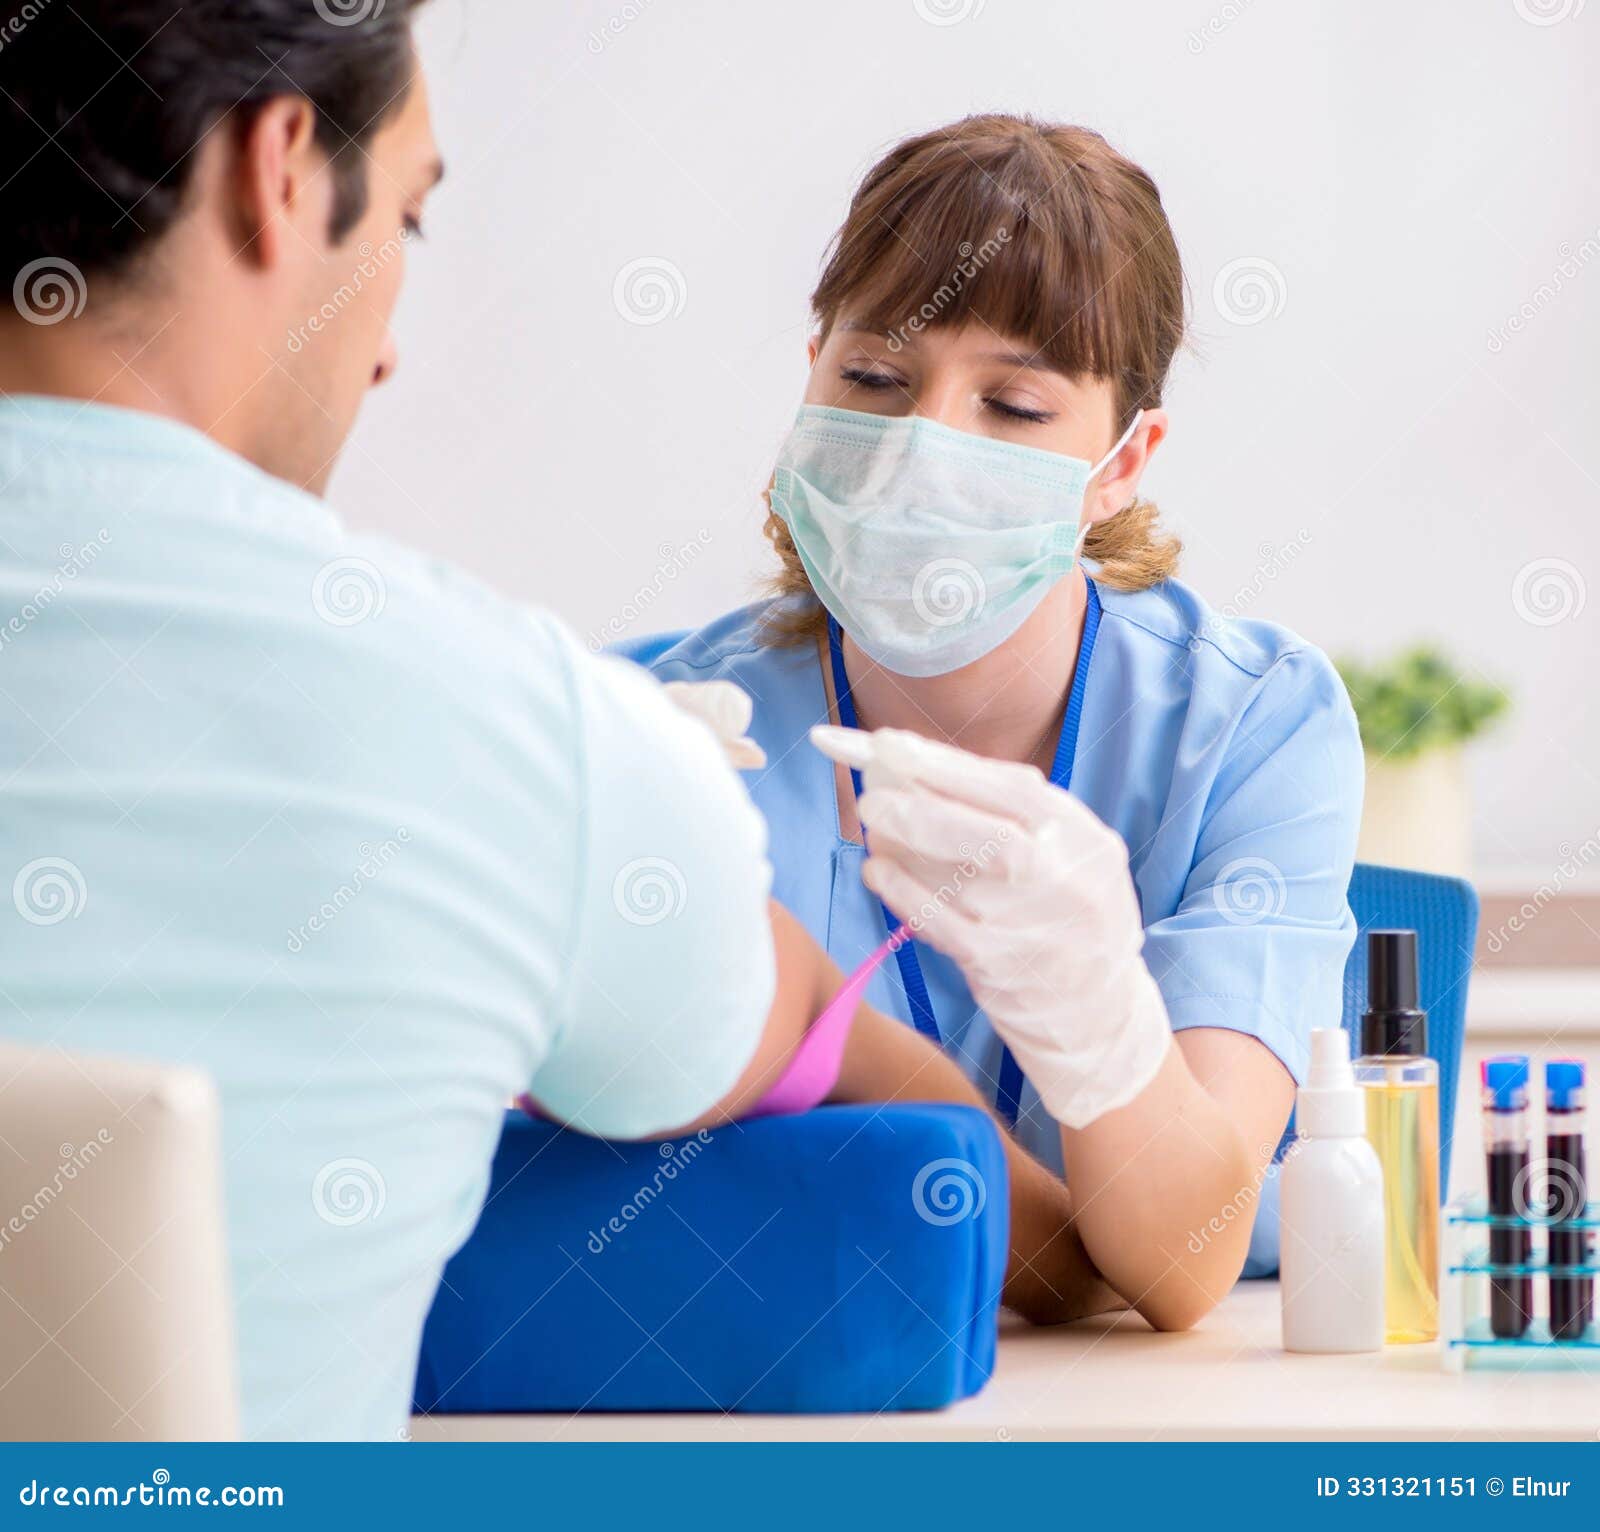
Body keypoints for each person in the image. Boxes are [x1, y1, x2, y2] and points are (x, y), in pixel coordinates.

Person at [0, 10, 1086, 1439]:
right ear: (277, 172)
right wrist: (1081, 1255)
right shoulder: (517, 728)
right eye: (407, 219)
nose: (380, 354)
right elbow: (834, 1041)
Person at [631, 115, 1365, 1328]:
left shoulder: (1249, 724)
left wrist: (1096, 1014)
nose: (923, 446)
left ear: (1122, 462)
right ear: (810, 375)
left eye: (1015, 406)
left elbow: (1172, 1264)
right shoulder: (664, 733)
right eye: (872, 379)